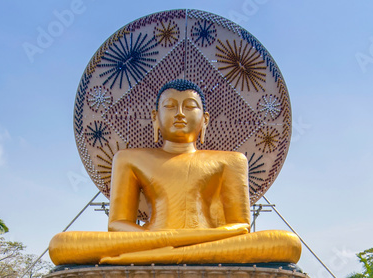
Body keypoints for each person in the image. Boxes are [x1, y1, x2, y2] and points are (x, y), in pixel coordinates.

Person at [48, 79, 301, 265]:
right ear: (155, 118)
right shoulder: (128, 159)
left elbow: (240, 227)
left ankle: (165, 254)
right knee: (61, 245)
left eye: (190, 106)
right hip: (154, 239)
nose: (180, 113)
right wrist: (160, 238)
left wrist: (184, 239)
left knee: (288, 244)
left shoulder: (231, 161)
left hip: (211, 240)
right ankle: (181, 252)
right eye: (169, 106)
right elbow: (117, 225)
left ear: (205, 120)